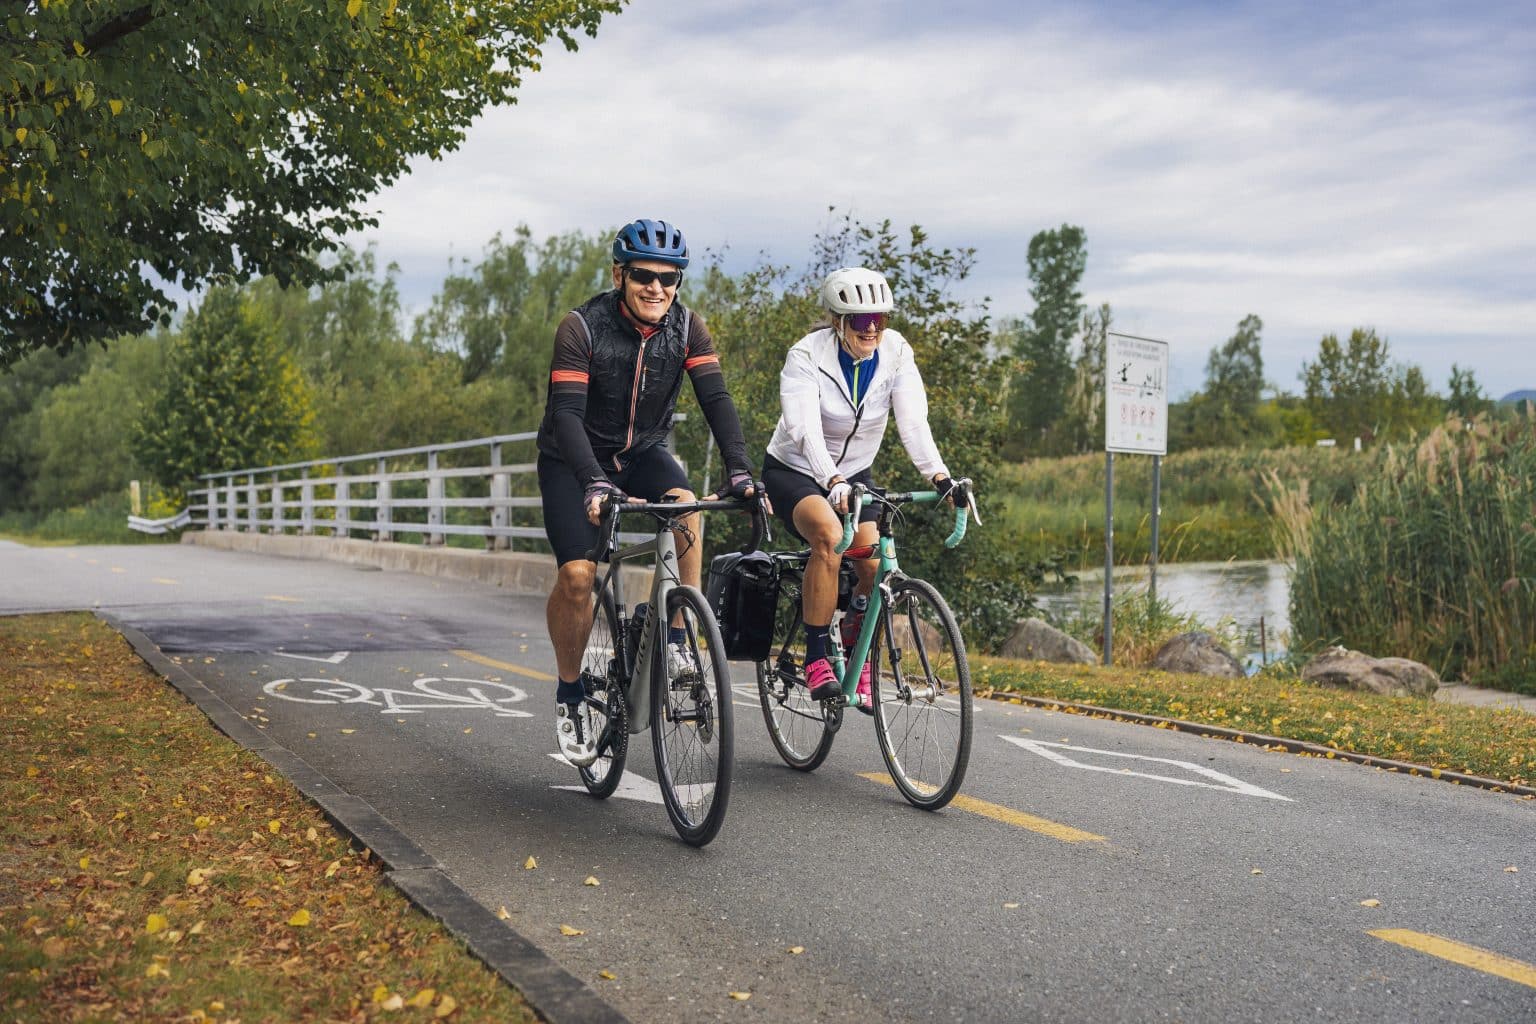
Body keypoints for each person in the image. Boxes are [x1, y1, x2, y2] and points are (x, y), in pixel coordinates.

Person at [536, 218, 759, 765]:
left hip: (641, 453)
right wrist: (592, 480)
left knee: (687, 507)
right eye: (643, 275)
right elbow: (565, 415)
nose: (657, 287)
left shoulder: (688, 328)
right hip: (573, 457)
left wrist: (741, 471)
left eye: (669, 277)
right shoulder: (581, 328)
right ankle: (570, 693)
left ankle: (679, 636)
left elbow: (717, 401)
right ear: (620, 274)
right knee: (577, 575)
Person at [762, 267, 964, 712]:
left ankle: (855, 643)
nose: (871, 327)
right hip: (796, 468)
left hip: (855, 473)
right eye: (859, 319)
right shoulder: (806, 356)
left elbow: (913, 421)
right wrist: (830, 480)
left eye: (879, 318)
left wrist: (940, 477)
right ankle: (817, 656)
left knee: (875, 567)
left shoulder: (896, 353)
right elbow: (803, 429)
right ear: (838, 321)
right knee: (830, 540)